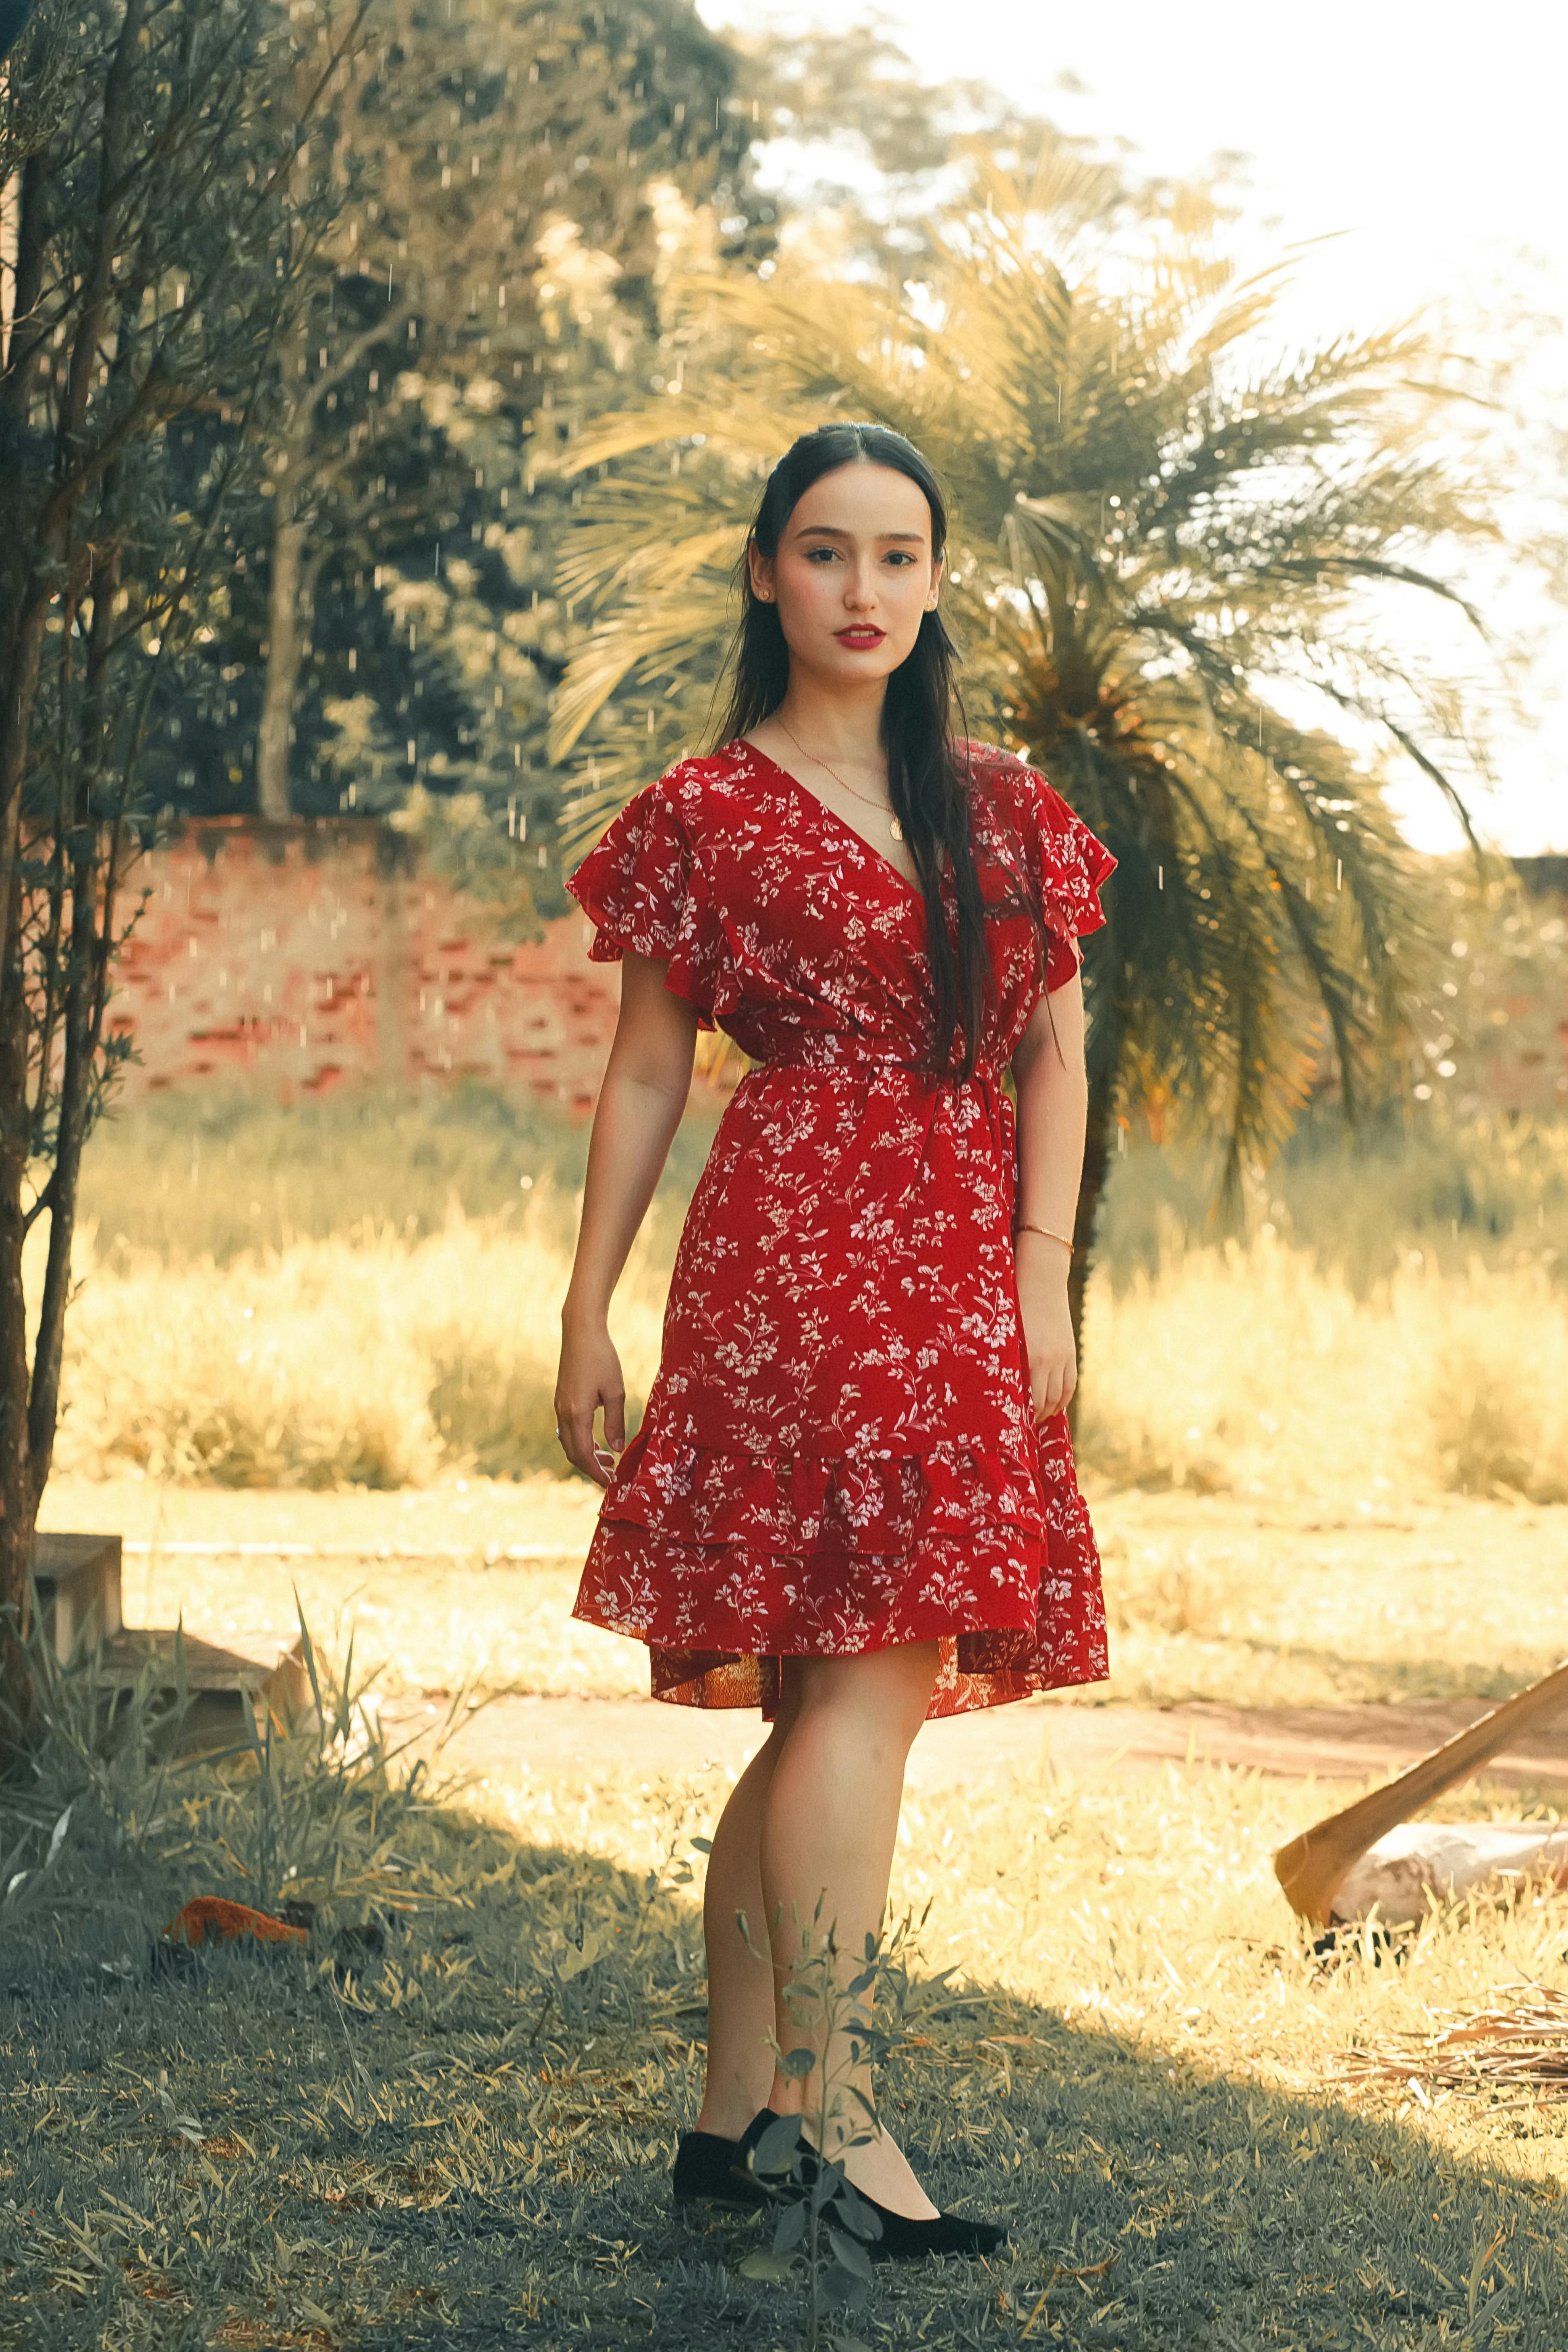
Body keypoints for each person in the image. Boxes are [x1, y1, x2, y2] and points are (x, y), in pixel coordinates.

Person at [553, 421, 1114, 2259]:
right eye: (822, 551)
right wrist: (587, 1298)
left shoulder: (1004, 805)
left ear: (937, 579)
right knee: (849, 1691)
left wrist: (1038, 1271)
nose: (859, 587)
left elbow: (1055, 1048)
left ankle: (736, 2125)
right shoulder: (703, 812)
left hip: (955, 1265)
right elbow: (647, 1067)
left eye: (894, 553)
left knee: (837, 1700)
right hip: (784, 1257)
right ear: (763, 574)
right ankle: (837, 2118)